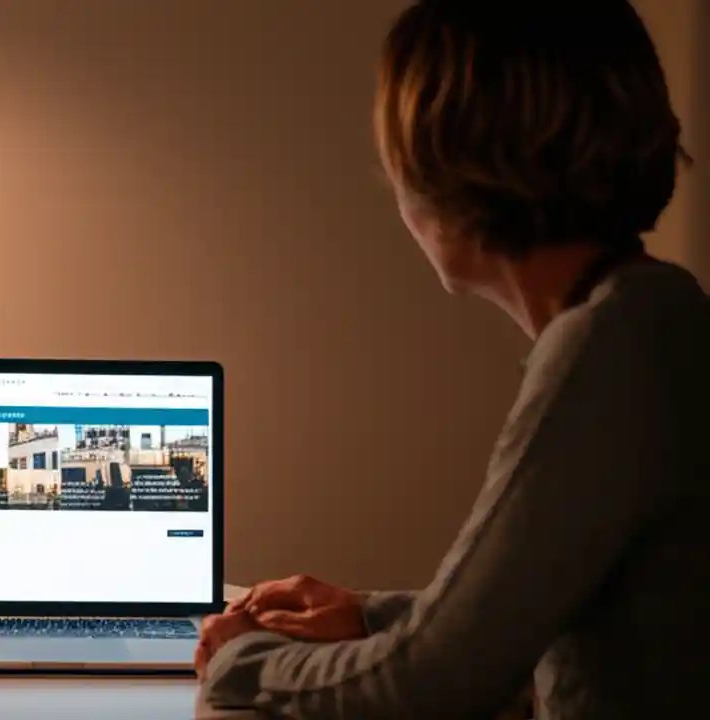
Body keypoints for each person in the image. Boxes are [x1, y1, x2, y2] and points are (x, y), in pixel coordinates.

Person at [196, 1, 710, 718]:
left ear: (452, 175)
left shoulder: (606, 347)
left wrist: (241, 658)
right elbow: (533, 624)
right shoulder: (655, 312)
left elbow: (434, 681)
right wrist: (372, 616)